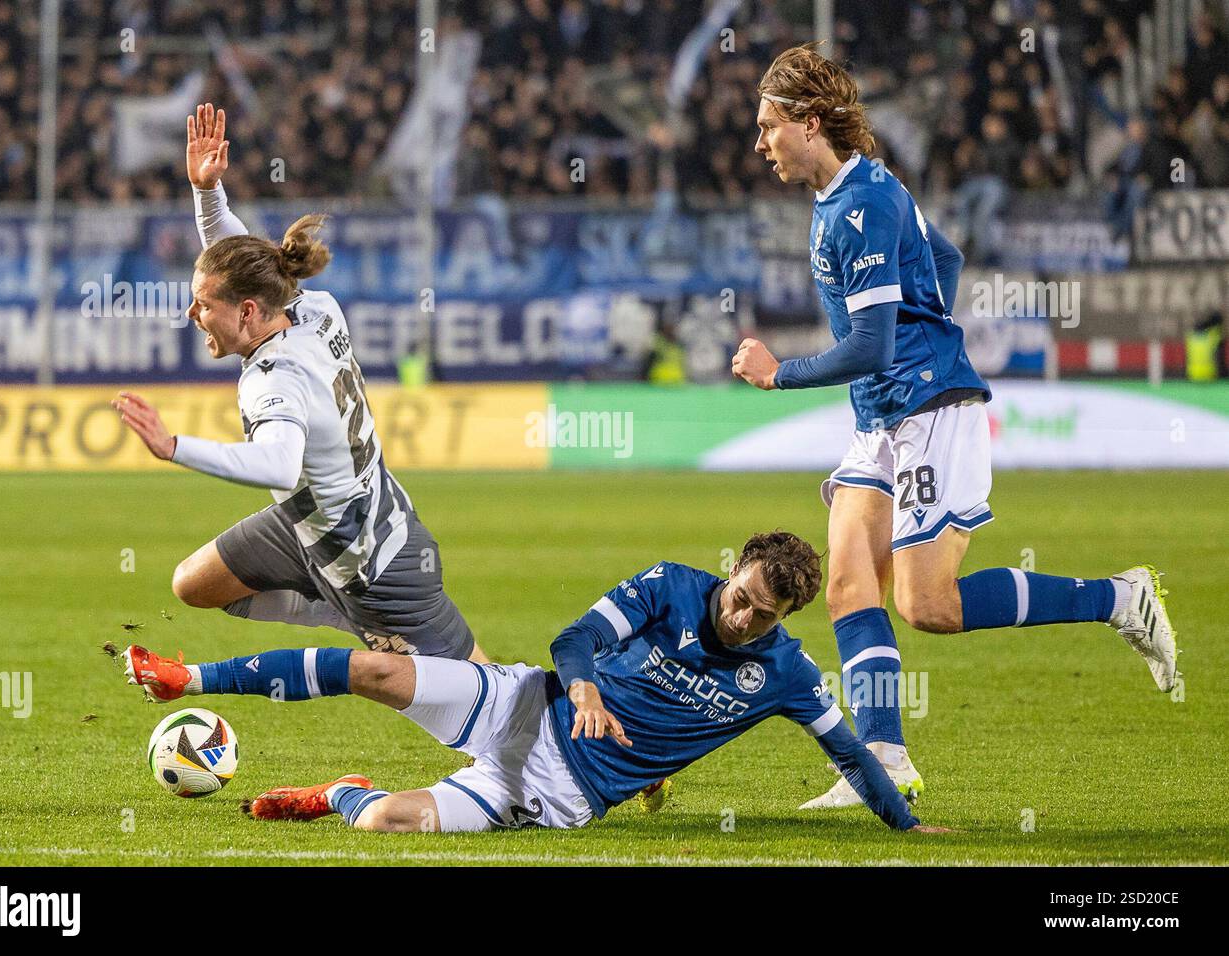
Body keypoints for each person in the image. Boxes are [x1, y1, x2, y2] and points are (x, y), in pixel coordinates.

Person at [732, 45, 1179, 809]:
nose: (759, 142)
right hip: (882, 418)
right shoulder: (858, 191)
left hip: (931, 412)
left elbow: (872, 342)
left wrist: (783, 373)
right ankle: (881, 759)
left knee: (926, 606)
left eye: (770, 126)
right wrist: (927, 322)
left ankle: (1118, 598)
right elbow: (945, 252)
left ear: (810, 124)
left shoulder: (863, 203)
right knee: (844, 584)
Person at [121, 531, 947, 834]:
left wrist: (904, 828)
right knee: (372, 666)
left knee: (381, 822)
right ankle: (187, 674)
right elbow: (577, 637)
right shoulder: (671, 584)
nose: (740, 619)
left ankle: (336, 791)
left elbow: (851, 752)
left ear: (786, 616)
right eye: (739, 597)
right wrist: (581, 688)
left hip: (557, 793)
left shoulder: (790, 675)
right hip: (526, 700)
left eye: (761, 616)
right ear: (731, 572)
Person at [113, 103, 487, 664]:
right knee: (194, 584)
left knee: (480, 692)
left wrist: (173, 448)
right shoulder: (313, 307)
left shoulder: (272, 379)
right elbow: (244, 258)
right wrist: (207, 191)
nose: (191, 314)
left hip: (369, 559)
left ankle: (360, 612)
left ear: (245, 312)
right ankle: (335, 609)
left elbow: (280, 465)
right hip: (310, 522)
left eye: (202, 305)